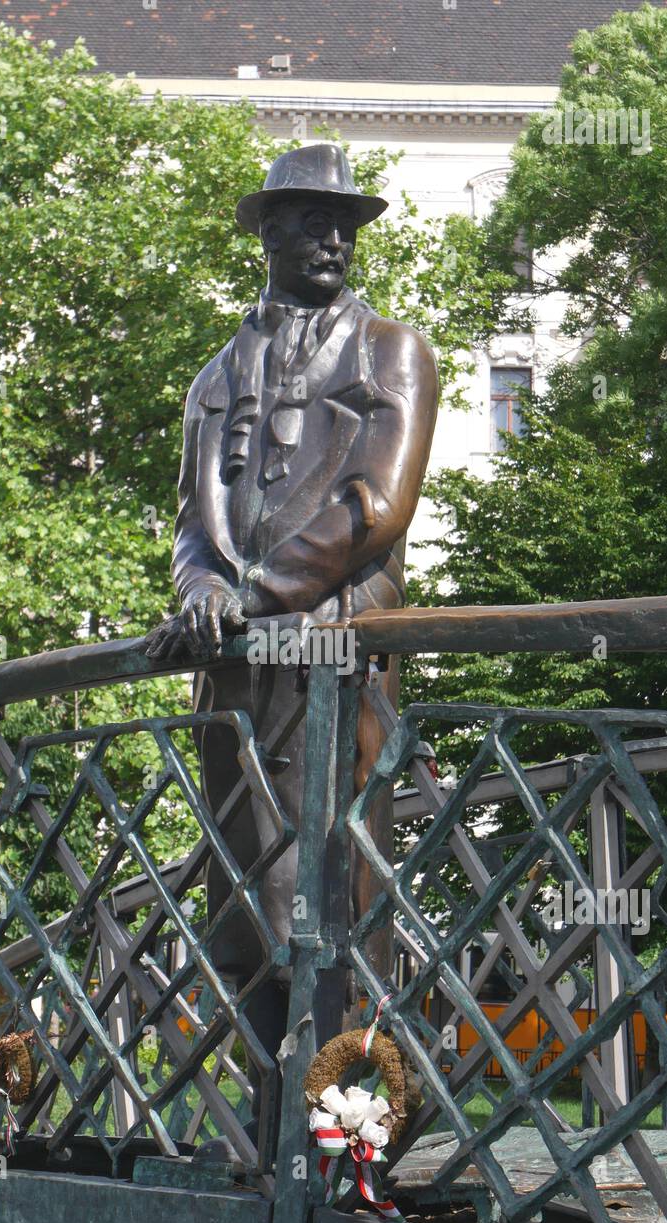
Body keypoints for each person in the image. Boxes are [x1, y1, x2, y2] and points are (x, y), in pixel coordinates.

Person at [146, 144, 438, 1149]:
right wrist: (198, 591)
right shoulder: (213, 374)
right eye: (308, 221)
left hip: (330, 662)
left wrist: (252, 595)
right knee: (245, 904)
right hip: (232, 674)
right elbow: (191, 522)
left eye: (343, 224)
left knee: (336, 900)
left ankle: (359, 1139)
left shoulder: (388, 352)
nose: (330, 239)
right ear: (264, 233)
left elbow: (374, 507)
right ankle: (275, 1140)